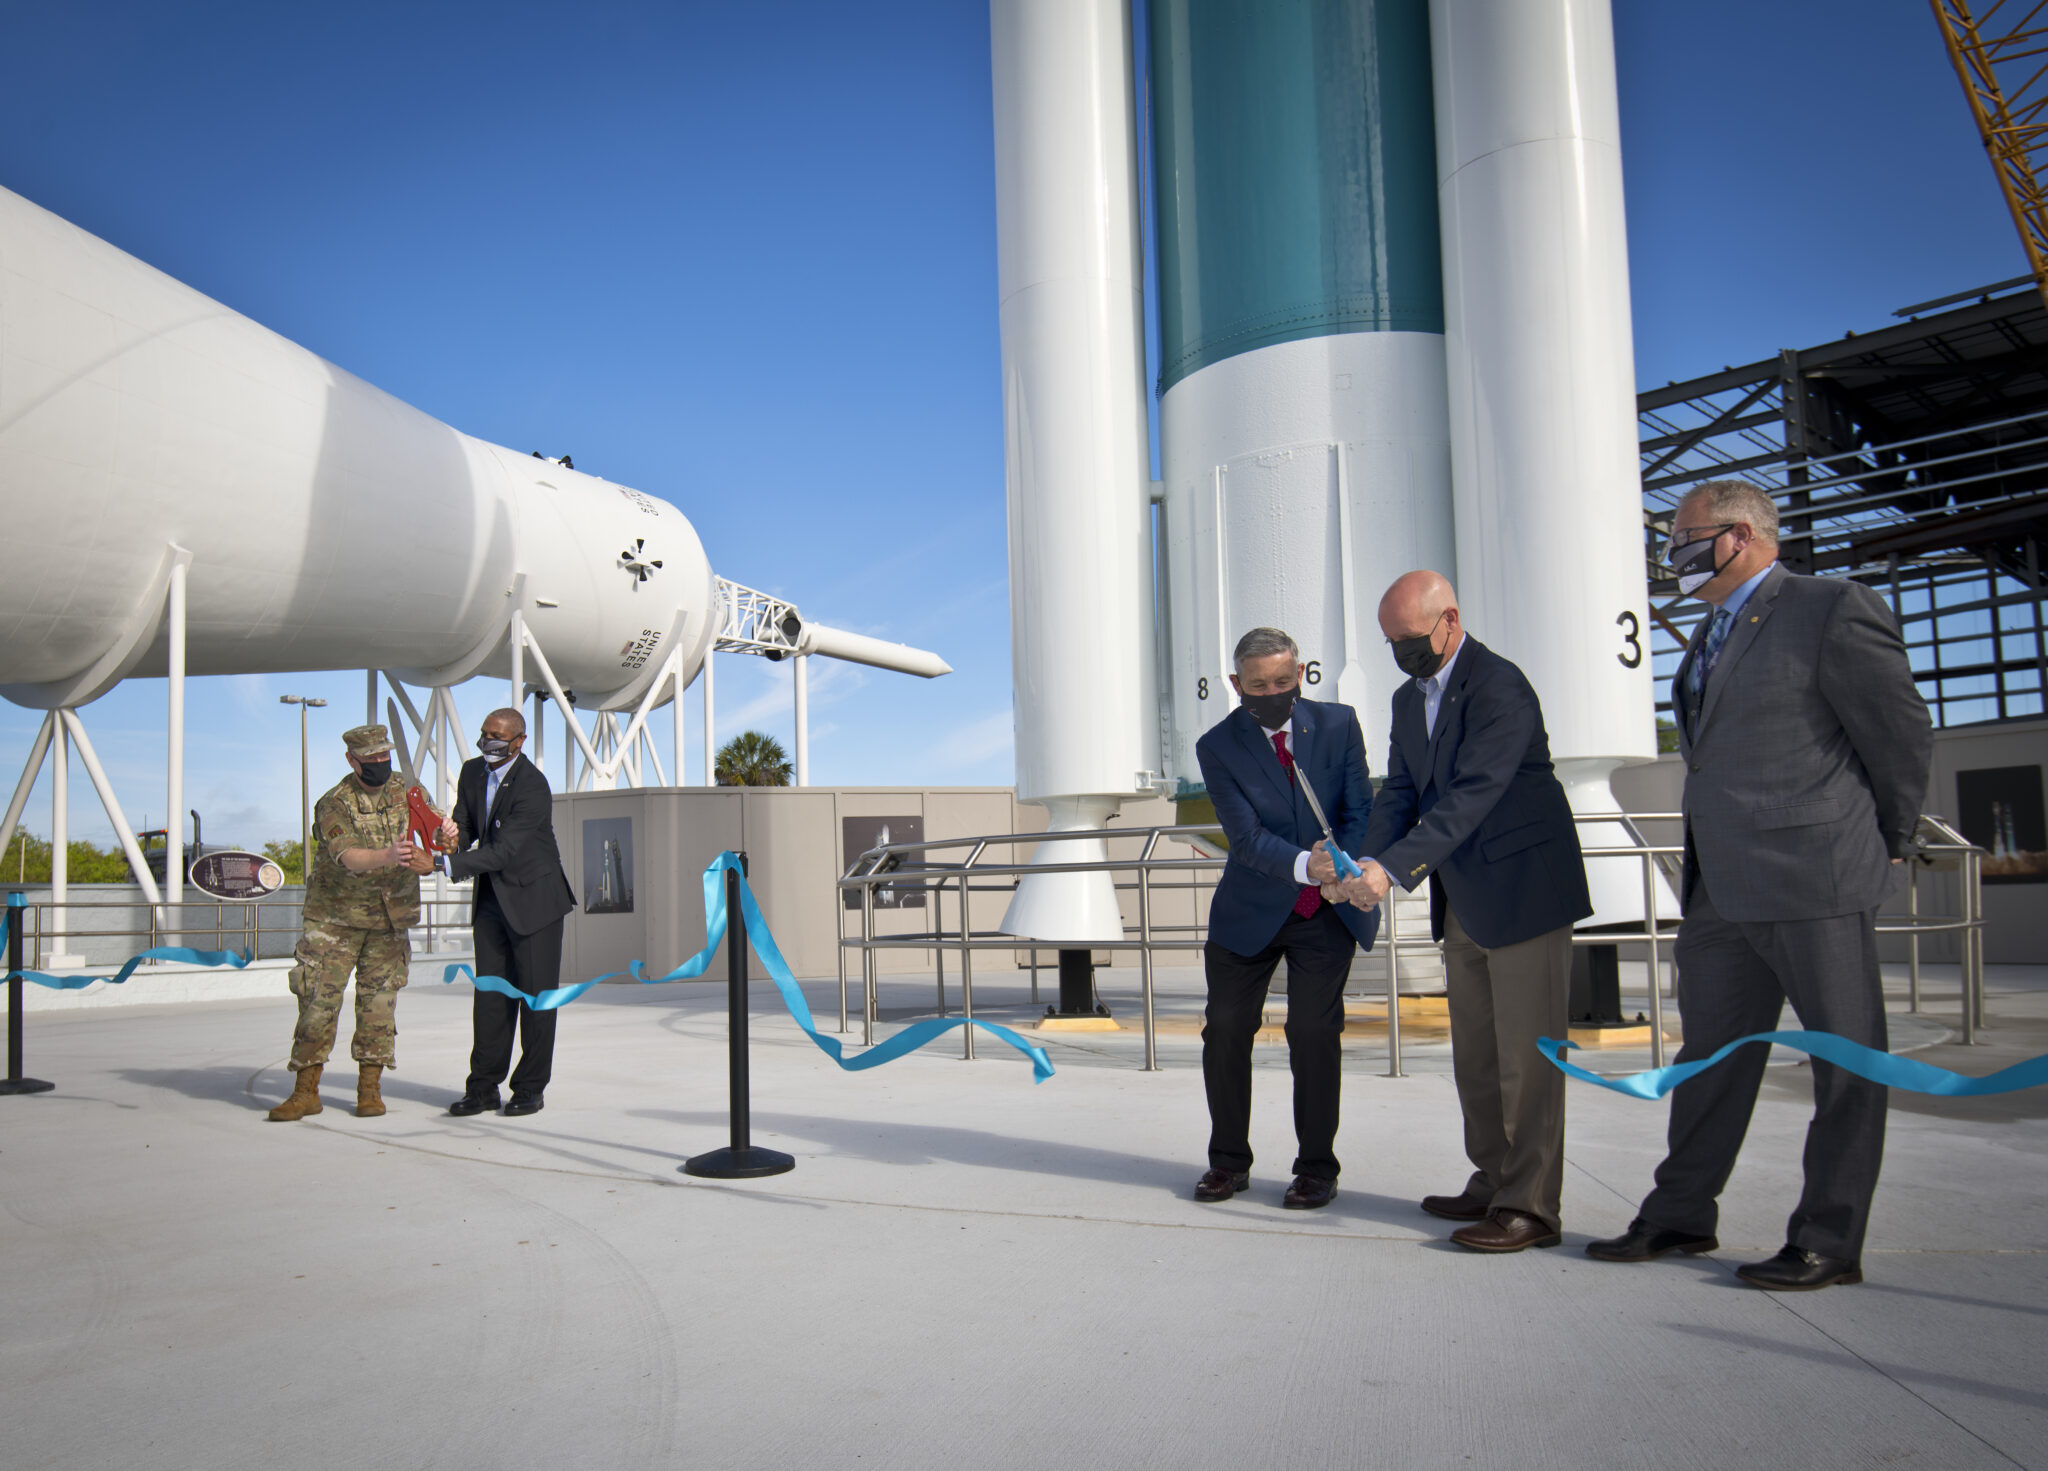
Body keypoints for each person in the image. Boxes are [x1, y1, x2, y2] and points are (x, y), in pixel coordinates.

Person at [1586, 480, 1931, 1290]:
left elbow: (1899, 731)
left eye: (1683, 539)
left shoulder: (1829, 607)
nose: (1672, 557)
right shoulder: (1710, 631)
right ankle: (1679, 1213)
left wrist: (1892, 838)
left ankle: (1827, 1238)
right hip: (1720, 890)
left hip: (1815, 878)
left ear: (1738, 535)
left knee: (1845, 1066)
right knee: (1707, 1059)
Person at [1329, 571, 1592, 1253]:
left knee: (1528, 1057)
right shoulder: (1406, 698)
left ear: (1450, 620)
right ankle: (1496, 1176)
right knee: (1476, 1052)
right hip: (1466, 897)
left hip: (1526, 889)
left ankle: (1531, 1205)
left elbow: (1472, 793)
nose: (1402, 654)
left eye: (1411, 640)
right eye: (1391, 643)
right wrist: (1359, 863)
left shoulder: (1500, 685)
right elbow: (1403, 793)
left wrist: (1393, 868)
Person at [1193, 627, 1378, 1210]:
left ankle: (1317, 1168)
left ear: (1300, 673)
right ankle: (1227, 1162)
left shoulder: (1339, 724)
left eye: (1281, 680)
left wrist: (1352, 871)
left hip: (1324, 912)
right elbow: (1244, 837)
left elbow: (1358, 807)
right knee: (1224, 1031)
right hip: (1249, 911)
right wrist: (1308, 864)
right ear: (1235, 685)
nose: (1271, 692)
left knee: (1314, 1033)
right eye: (1257, 685)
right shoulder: (1217, 746)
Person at [267, 724, 434, 1123]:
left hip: (389, 920)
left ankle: (369, 1090)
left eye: (384, 757)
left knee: (379, 1007)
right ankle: (305, 1091)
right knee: (317, 1005)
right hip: (334, 922)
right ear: (352, 760)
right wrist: (390, 855)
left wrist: (445, 837)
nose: (380, 764)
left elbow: (431, 830)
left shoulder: (408, 792)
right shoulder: (334, 803)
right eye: (371, 759)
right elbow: (348, 856)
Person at [445, 707, 576, 1119]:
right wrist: (448, 839)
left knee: (536, 1001)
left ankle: (529, 1088)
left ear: (518, 741)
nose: (488, 743)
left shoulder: (533, 786)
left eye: (497, 737)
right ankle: (482, 1088)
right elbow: (465, 827)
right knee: (490, 999)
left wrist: (448, 867)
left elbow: (504, 850)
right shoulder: (471, 772)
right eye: (484, 734)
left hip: (536, 903)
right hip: (491, 903)